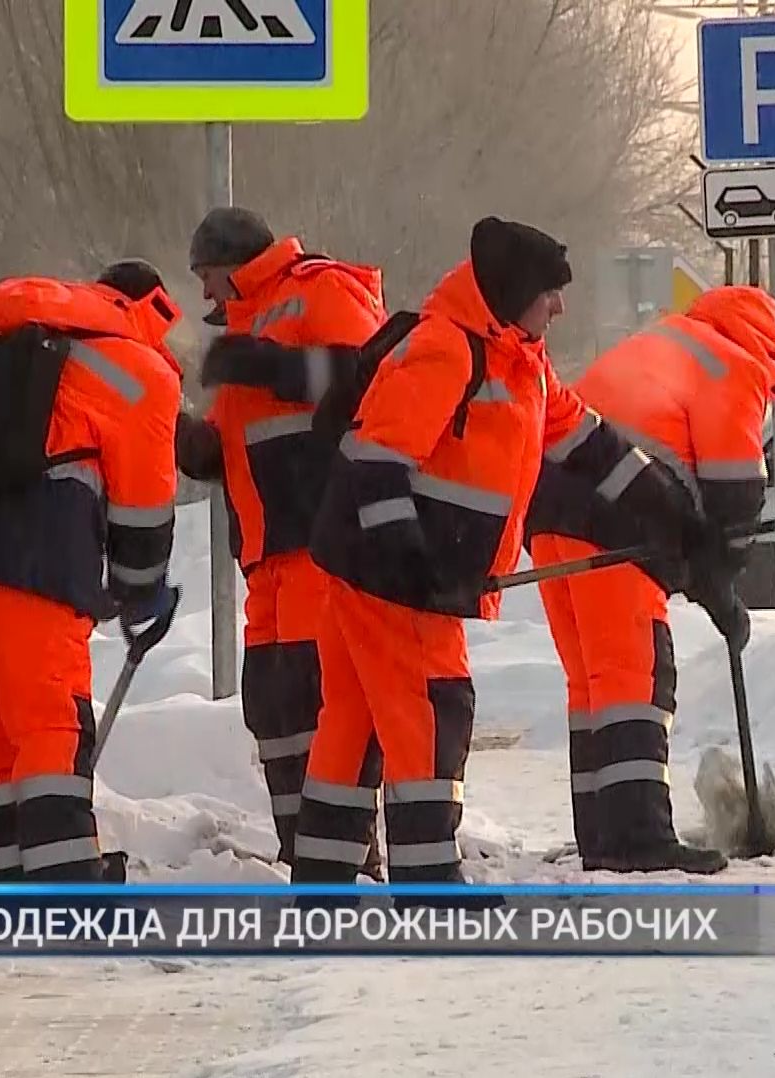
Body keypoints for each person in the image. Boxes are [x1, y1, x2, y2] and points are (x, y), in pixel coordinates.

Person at [290, 217, 698, 884]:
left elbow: (592, 447)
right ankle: (430, 890)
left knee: (356, 726)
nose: (560, 306)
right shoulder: (446, 350)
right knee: (434, 712)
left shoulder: (522, 363)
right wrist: (412, 565)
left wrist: (673, 513)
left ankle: (322, 886)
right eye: (549, 292)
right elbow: (375, 462)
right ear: (511, 294)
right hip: (393, 578)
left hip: (377, 570)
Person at [0, 260, 184, 883]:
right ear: (151, 312)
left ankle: (2, 894)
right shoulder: (138, 371)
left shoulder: (14, 346)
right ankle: (64, 898)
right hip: (32, 568)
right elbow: (143, 508)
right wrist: (141, 593)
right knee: (50, 730)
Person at [524, 284, 775, 875]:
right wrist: (724, 586)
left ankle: (601, 834)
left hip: (547, 511)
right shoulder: (735, 362)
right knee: (637, 678)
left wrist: (711, 582)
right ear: (770, 352)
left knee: (595, 686)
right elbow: (734, 491)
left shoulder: (667, 340)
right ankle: (638, 838)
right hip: (618, 518)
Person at [174, 207, 389, 870]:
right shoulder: (245, 327)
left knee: (321, 701)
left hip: (319, 541)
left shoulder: (319, 289)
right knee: (277, 707)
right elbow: (224, 448)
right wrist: (174, 430)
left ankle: (347, 855)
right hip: (267, 555)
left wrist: (267, 366)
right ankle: (307, 852)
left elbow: (372, 376)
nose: (204, 291)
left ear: (233, 263)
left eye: (207, 275)